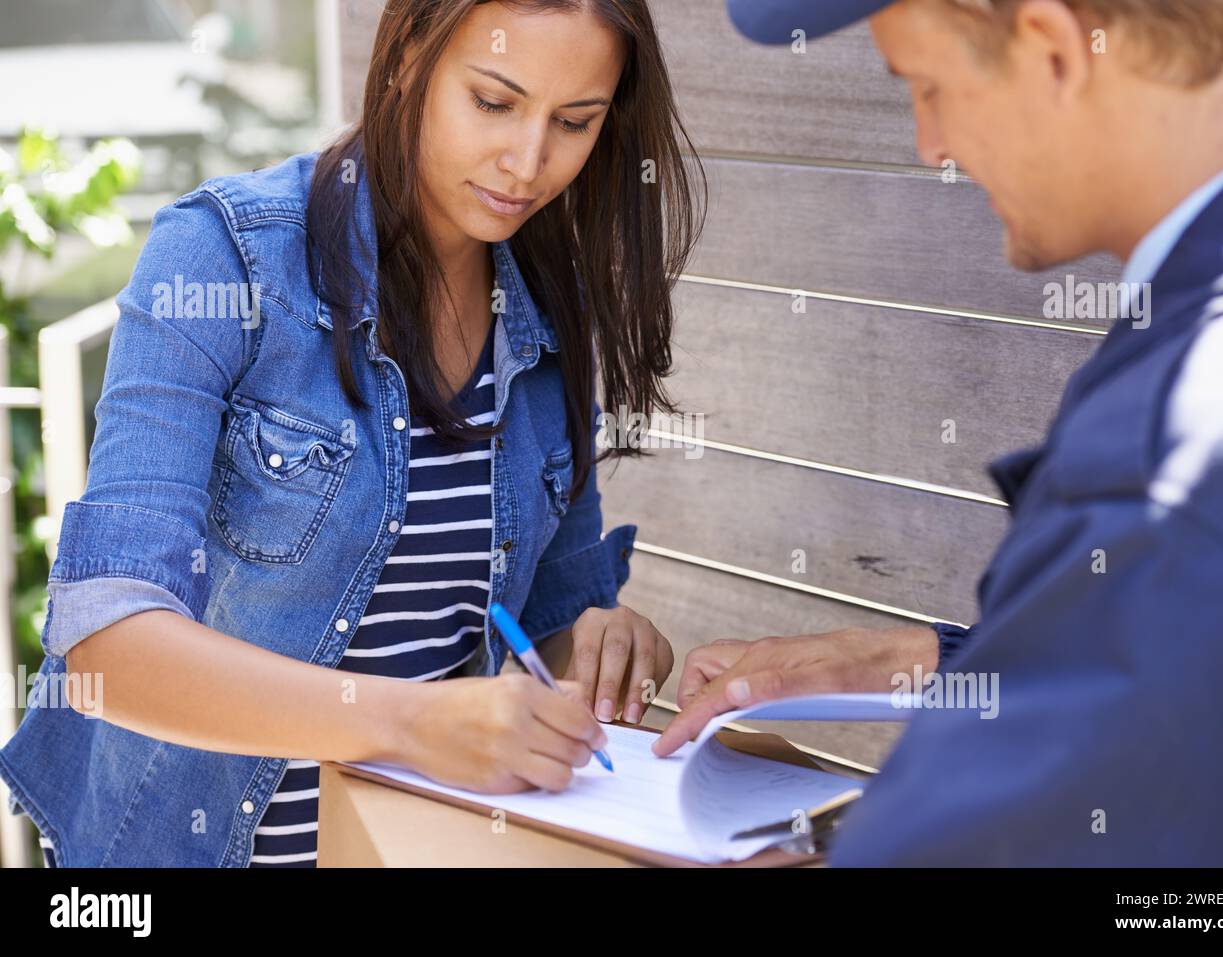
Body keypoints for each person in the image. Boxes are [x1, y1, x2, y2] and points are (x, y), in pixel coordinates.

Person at [0, 0, 702, 867]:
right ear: (409, 52)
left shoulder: (550, 309)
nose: (528, 162)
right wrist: (411, 721)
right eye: (493, 102)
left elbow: (549, 624)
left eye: (574, 122)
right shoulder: (224, 259)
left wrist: (595, 641)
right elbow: (110, 641)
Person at [655, 0, 1223, 865]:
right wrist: (943, 660)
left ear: (1050, 49)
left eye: (929, 87)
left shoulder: (1185, 446)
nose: (932, 146)